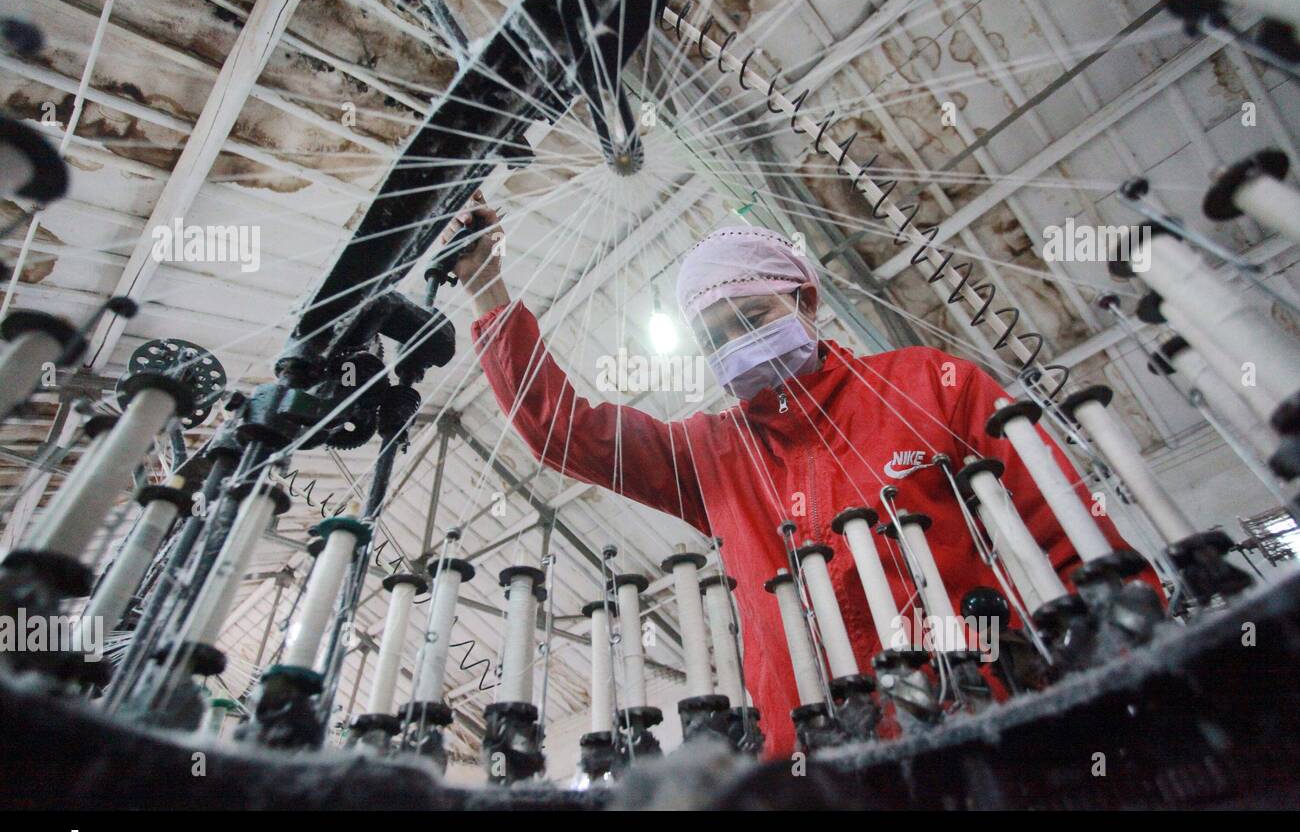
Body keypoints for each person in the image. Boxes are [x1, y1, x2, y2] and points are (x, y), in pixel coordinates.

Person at [445, 193, 1148, 756]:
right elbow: (562, 431)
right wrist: (486, 288)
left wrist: (1135, 650)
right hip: (811, 763)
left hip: (979, 723)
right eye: (715, 339)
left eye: (752, 318)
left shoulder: (928, 384)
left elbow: (1063, 522)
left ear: (806, 302)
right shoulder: (711, 454)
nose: (737, 348)